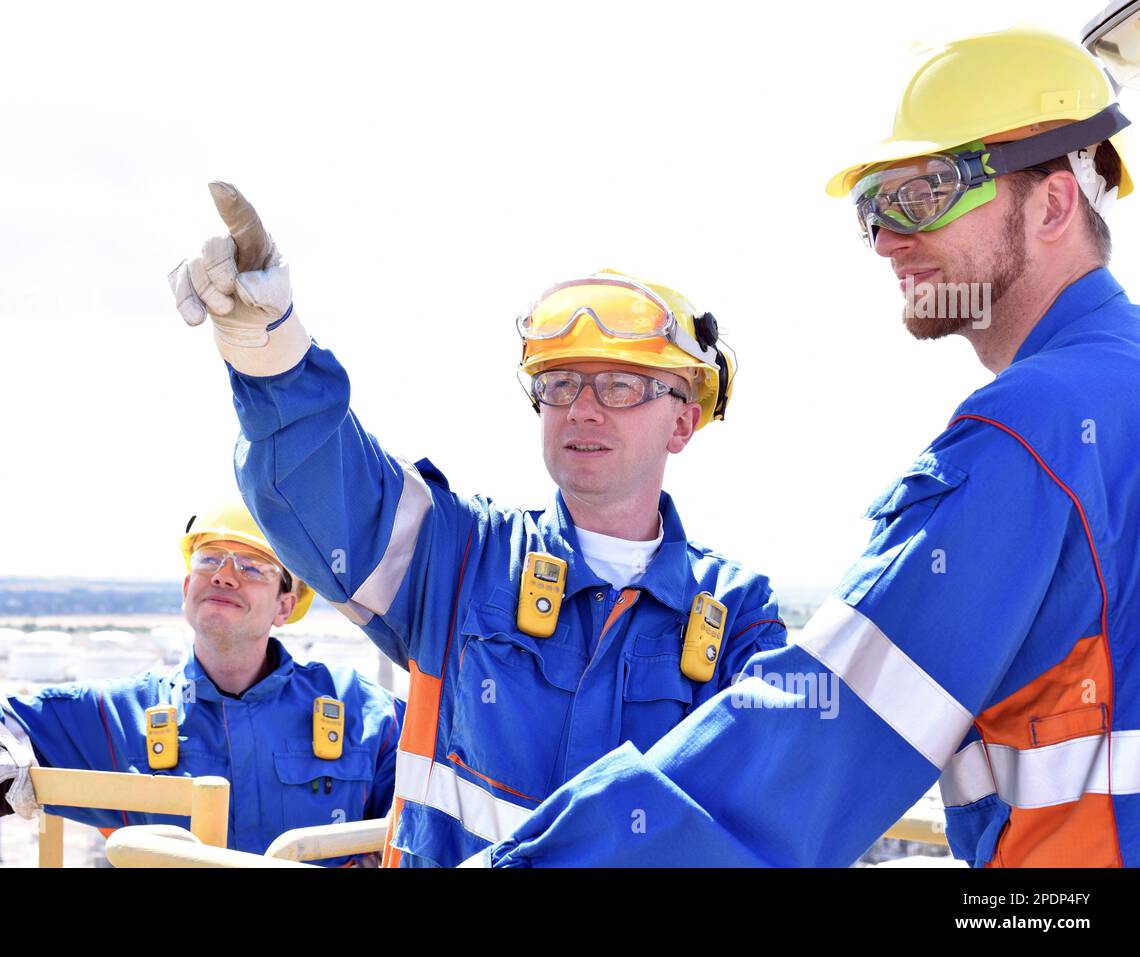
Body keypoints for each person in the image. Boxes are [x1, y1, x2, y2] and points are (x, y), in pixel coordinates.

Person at [452, 25, 1138, 867]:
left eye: (923, 194)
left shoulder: (1034, 429)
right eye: (874, 208)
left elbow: (827, 729)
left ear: (1053, 203)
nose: (887, 238)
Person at [168, 185, 789, 867]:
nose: (582, 409)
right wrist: (273, 353)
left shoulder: (735, 617)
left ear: (682, 420)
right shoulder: (463, 560)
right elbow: (325, 490)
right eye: (560, 384)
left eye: (620, 385)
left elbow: (776, 801)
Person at [0, 501, 404, 862]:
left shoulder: (363, 713)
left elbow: (423, 828)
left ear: (285, 605)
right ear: (186, 590)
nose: (225, 576)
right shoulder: (117, 718)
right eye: (209, 560)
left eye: (253, 566)